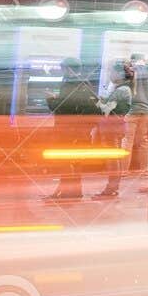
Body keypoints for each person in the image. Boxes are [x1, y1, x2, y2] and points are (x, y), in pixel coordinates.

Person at [46, 58, 98, 200]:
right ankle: (73, 190)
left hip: (68, 129)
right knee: (74, 161)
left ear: (68, 69)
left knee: (66, 161)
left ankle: (68, 192)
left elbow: (62, 108)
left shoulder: (70, 84)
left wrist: (51, 100)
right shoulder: (84, 83)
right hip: (80, 129)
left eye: (63, 69)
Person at [94, 62, 135, 199]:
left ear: (119, 74)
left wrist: (98, 102)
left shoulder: (122, 90)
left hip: (112, 128)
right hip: (114, 128)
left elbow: (108, 110)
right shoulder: (122, 89)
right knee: (113, 159)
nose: (109, 75)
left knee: (113, 160)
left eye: (111, 72)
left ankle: (111, 188)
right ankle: (112, 188)